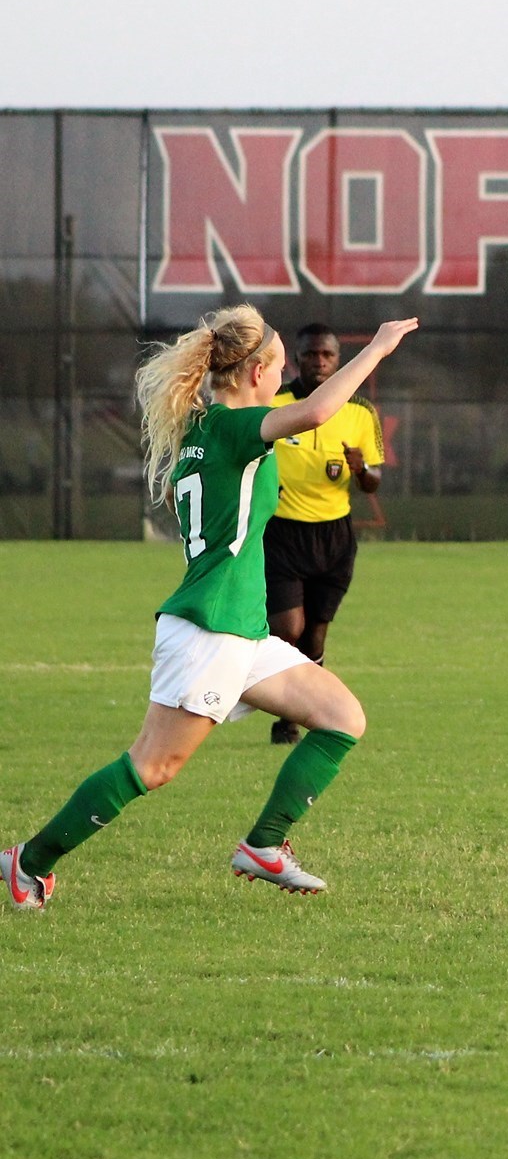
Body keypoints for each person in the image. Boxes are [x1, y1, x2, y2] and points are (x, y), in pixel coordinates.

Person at [4, 307, 418, 910]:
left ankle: (263, 846)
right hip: (210, 630)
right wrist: (376, 349)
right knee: (152, 767)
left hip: (243, 631)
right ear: (254, 372)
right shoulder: (231, 426)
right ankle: (28, 863)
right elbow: (319, 410)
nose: (283, 378)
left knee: (341, 717)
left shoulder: (204, 426)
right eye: (277, 367)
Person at [264, 323, 386, 745]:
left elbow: (372, 482)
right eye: (311, 354)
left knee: (315, 633)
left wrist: (361, 469)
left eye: (327, 355)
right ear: (296, 358)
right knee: (287, 628)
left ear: (338, 359)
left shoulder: (360, 411)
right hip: (282, 531)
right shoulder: (274, 403)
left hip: (334, 536)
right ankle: (283, 711)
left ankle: (306, 711)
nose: (319, 362)